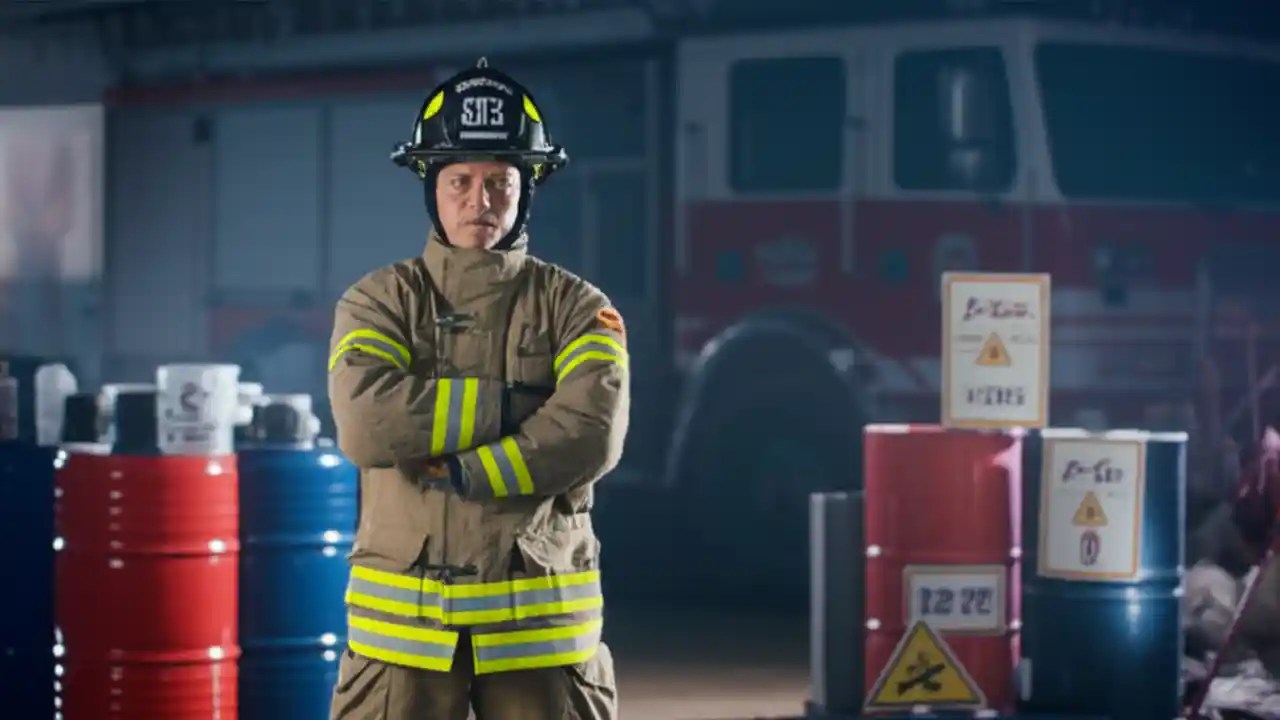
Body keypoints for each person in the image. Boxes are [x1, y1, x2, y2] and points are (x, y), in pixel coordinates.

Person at [326, 57, 630, 720]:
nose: (479, 200)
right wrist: (514, 408)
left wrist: (468, 468)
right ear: (429, 186)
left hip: (539, 638)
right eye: (459, 179)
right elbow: (365, 424)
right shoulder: (378, 301)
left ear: (530, 187)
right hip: (403, 641)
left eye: (500, 181)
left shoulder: (580, 307)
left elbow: (591, 434)